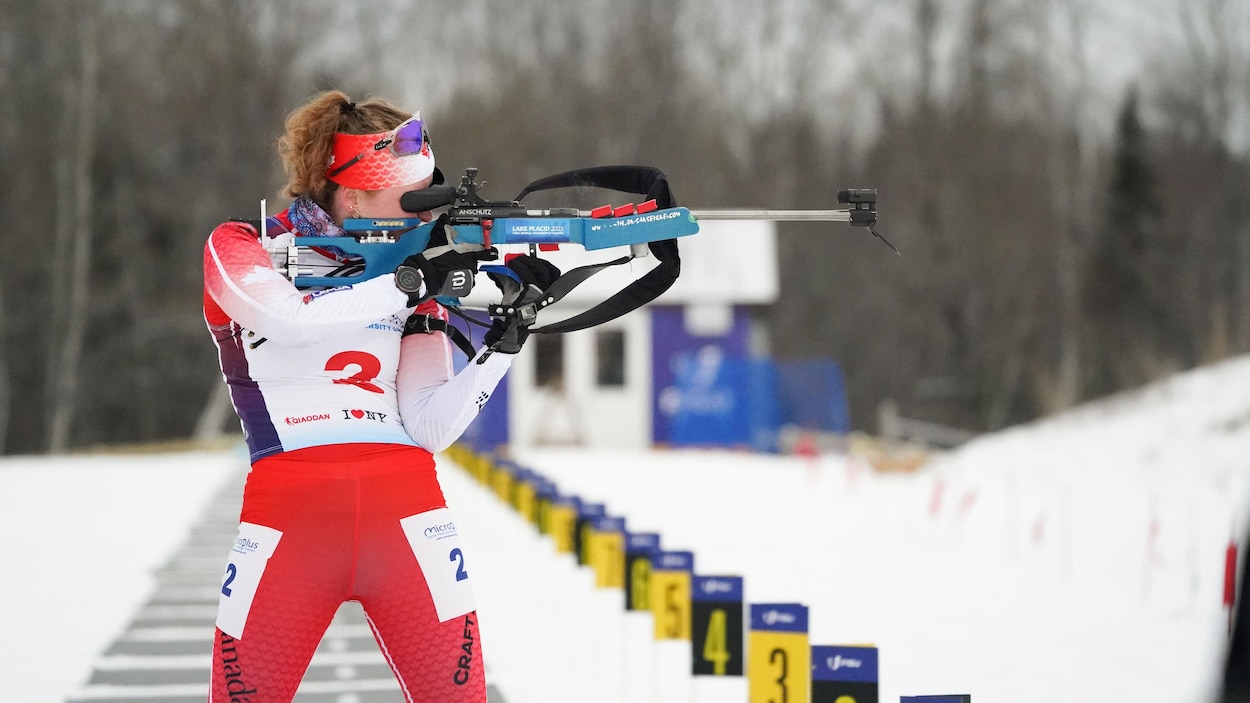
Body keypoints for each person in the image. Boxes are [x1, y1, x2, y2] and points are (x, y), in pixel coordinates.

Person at [202, 90, 559, 702]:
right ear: (354, 192)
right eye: (412, 199)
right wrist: (411, 280)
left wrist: (504, 342)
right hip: (289, 529)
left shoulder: (414, 274)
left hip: (411, 521)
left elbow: (427, 426)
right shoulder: (242, 246)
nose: (427, 217)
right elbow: (289, 319)